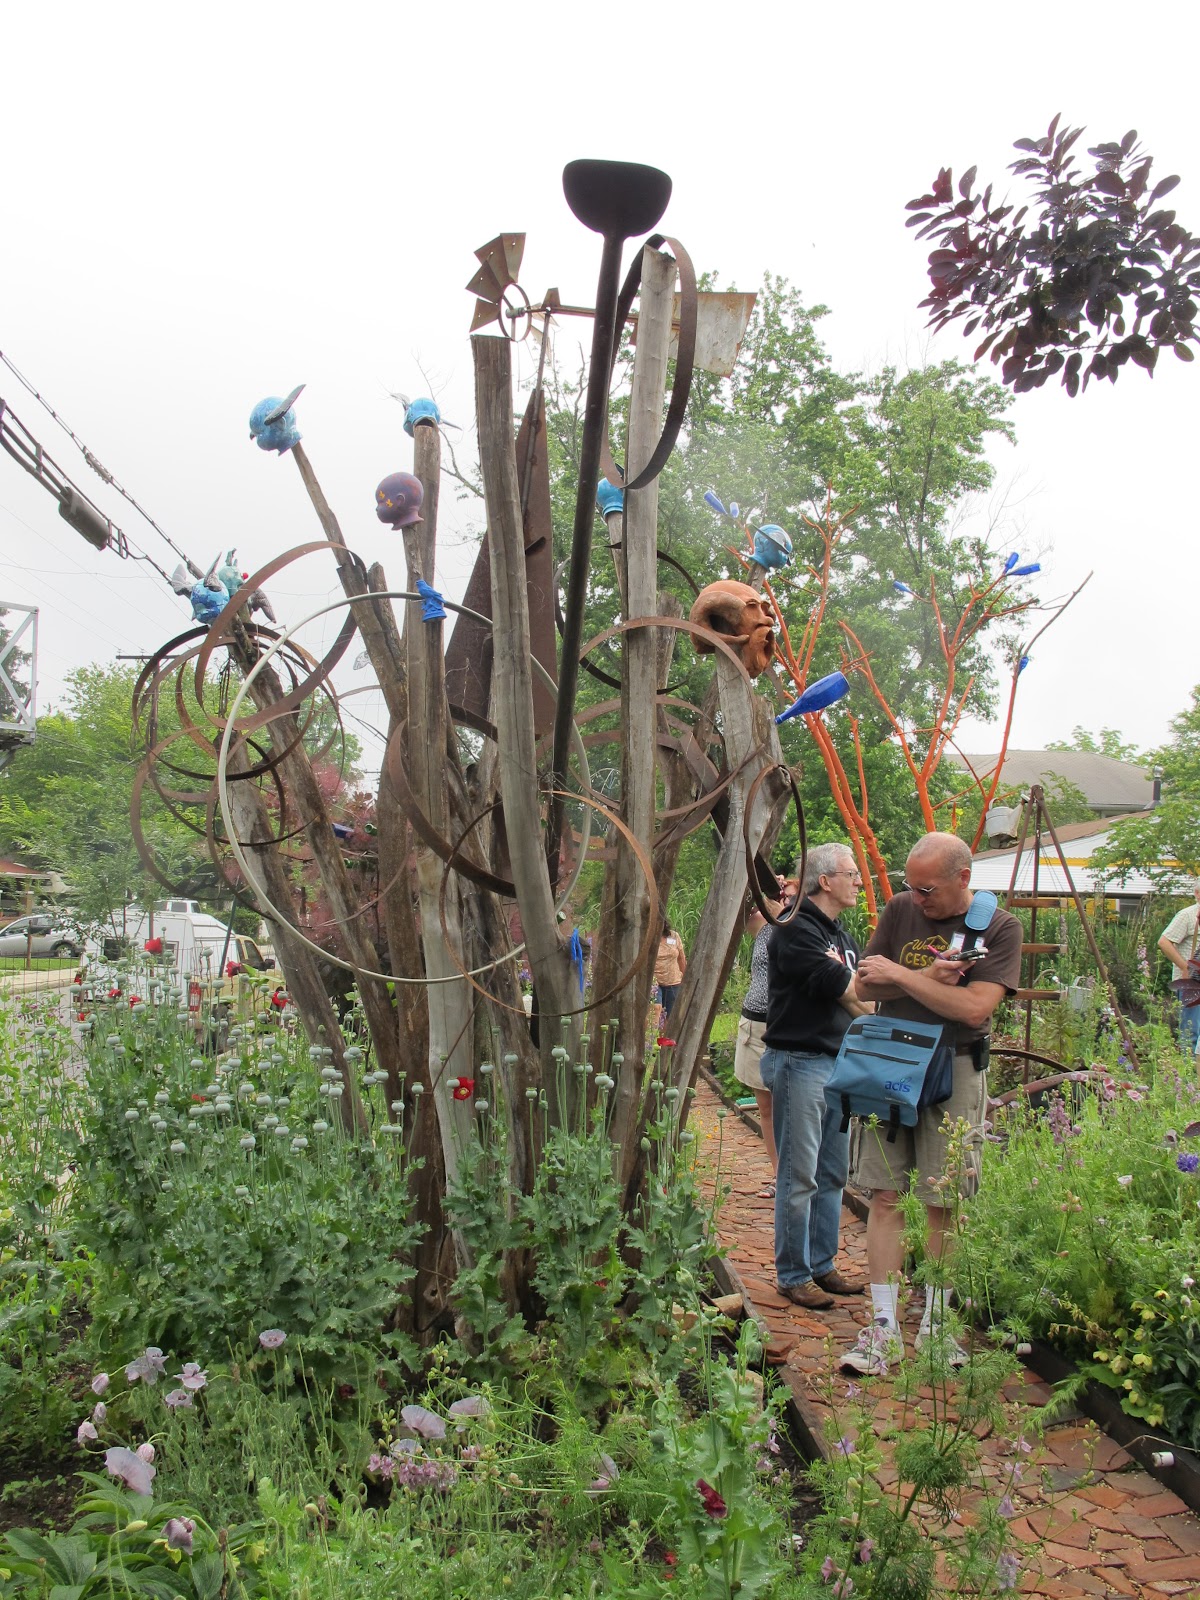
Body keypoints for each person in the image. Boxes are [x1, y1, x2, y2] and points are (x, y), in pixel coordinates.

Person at [841, 831, 1022, 1375]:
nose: (918, 899)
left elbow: (972, 1009)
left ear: (963, 878)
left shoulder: (998, 927)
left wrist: (899, 977)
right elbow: (864, 986)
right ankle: (884, 1330)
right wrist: (915, 975)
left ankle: (939, 1328)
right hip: (890, 1064)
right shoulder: (899, 911)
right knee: (885, 1196)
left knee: (946, 1201)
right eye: (911, 887)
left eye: (928, 890)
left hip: (957, 1069)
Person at [760, 843, 868, 1310]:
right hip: (800, 1062)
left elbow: (860, 992)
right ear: (825, 881)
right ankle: (793, 1273)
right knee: (799, 1174)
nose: (859, 881)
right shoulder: (794, 928)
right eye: (851, 873)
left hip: (836, 1062)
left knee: (832, 1173)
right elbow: (848, 990)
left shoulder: (841, 937)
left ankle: (822, 1265)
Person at [733, 877, 791, 1198]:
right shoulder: (762, 925)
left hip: (784, 1025)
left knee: (787, 1104)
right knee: (765, 1107)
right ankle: (778, 1173)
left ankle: (795, 1173)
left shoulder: (793, 923)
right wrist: (751, 888)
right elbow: (735, 914)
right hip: (755, 1023)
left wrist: (785, 896)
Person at [1157, 880, 1200, 1051]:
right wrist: (1184, 967)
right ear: (1197, 893)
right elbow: (1164, 941)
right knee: (1191, 1032)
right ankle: (1187, 1075)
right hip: (1192, 984)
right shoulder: (1187, 915)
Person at [654, 921, 687, 1023]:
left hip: (673, 981)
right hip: (655, 981)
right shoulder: (648, 937)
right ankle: (649, 1037)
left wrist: (686, 978)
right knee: (656, 1008)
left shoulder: (674, 936)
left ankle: (664, 1038)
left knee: (669, 1016)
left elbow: (681, 958)